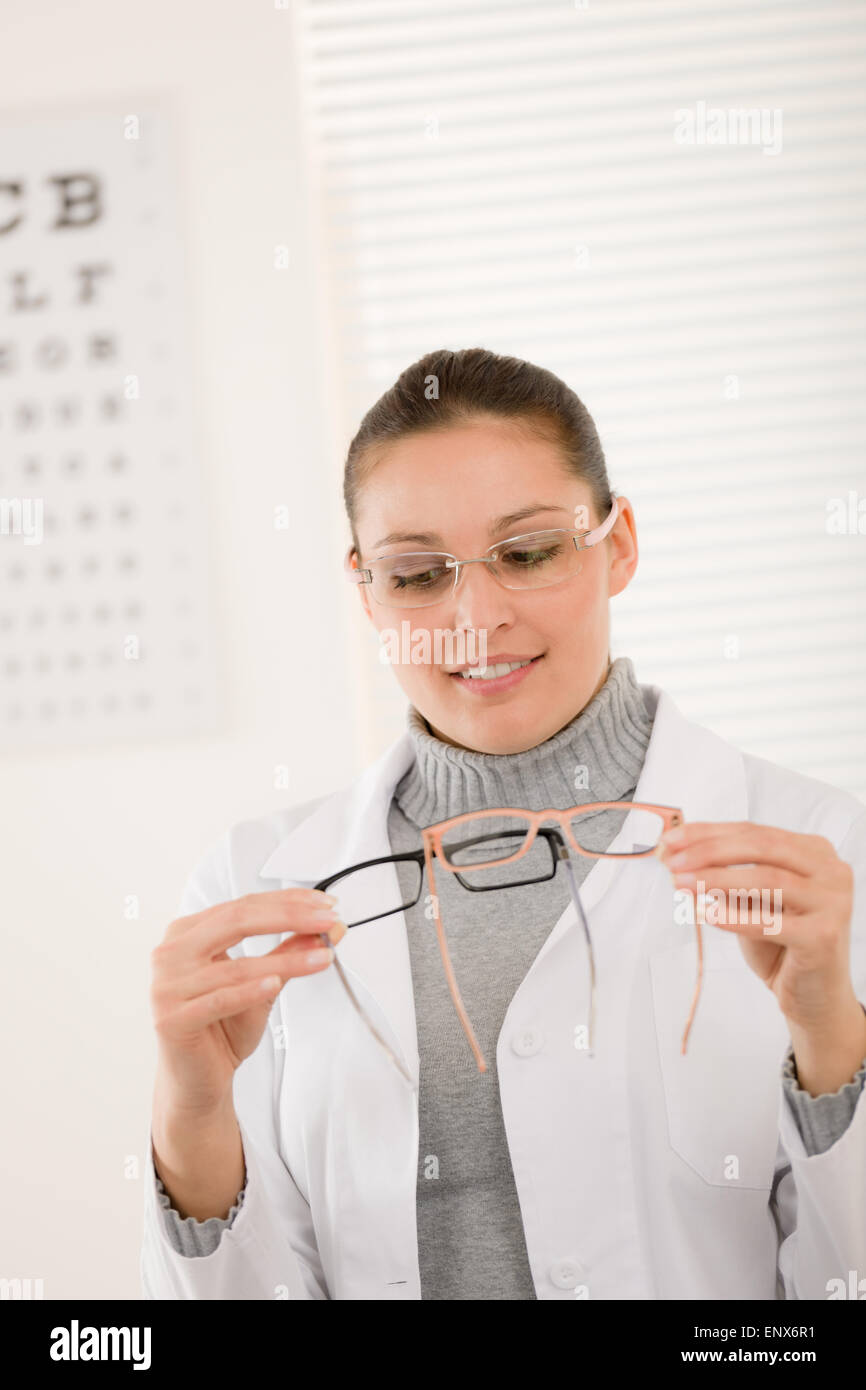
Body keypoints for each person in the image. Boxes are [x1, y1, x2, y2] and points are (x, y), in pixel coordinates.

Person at [141, 348, 866, 1300]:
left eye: (527, 554)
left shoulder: (817, 858)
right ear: (365, 590)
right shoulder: (257, 886)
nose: (473, 619)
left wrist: (832, 1037)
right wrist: (191, 1109)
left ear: (619, 545)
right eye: (415, 574)